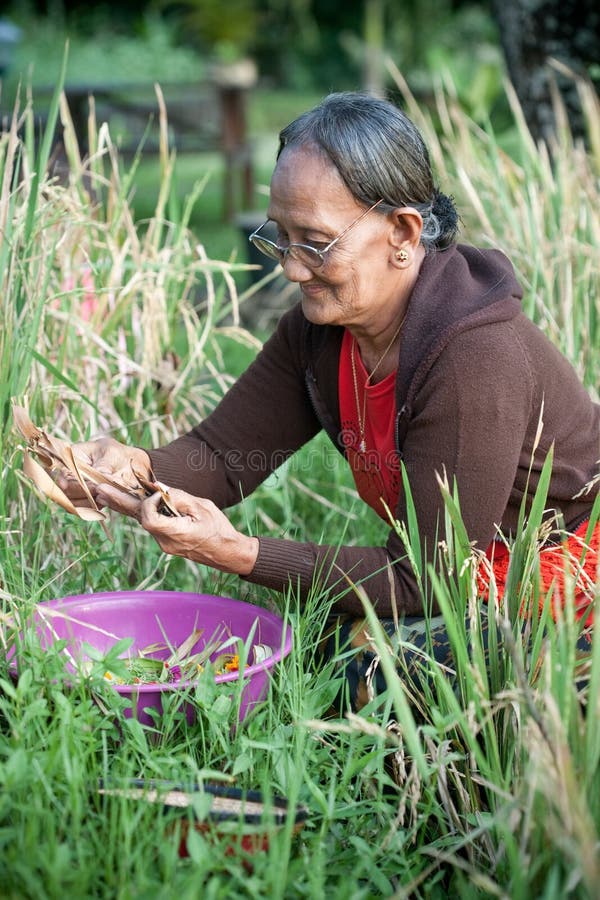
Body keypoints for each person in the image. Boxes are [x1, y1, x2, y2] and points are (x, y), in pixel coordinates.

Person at [58, 91, 600, 710]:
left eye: (314, 242)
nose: (291, 269)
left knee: (360, 673)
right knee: (297, 648)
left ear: (402, 231)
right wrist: (127, 470)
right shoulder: (321, 333)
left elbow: (425, 577)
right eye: (281, 237)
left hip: (565, 587)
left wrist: (242, 554)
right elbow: (223, 457)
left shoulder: (473, 358)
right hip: (460, 582)